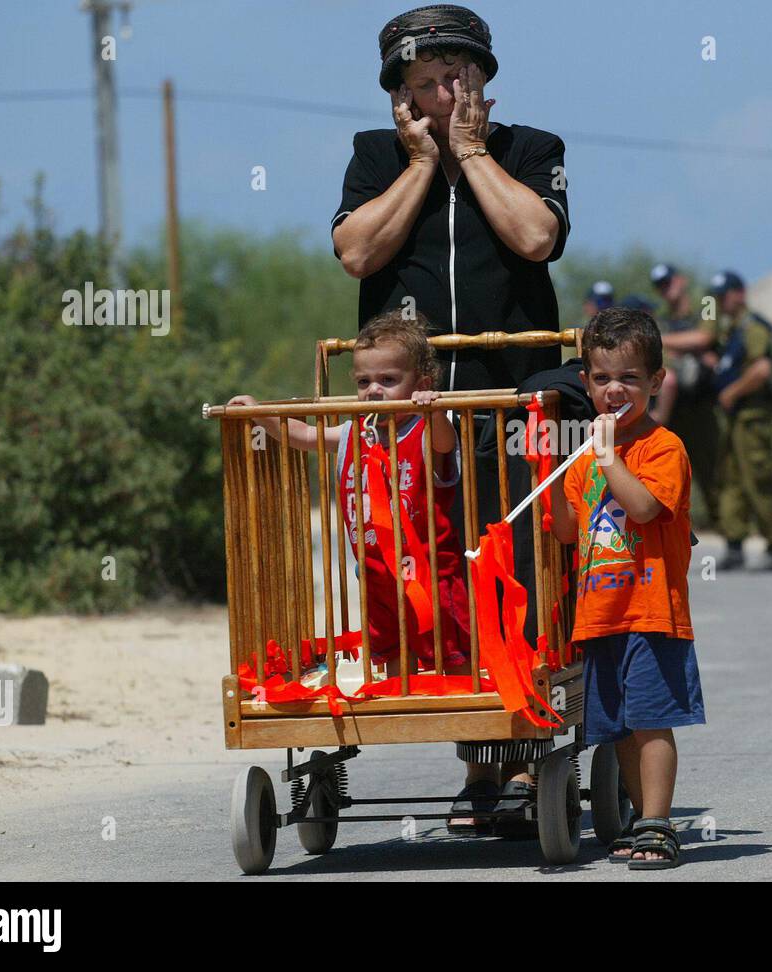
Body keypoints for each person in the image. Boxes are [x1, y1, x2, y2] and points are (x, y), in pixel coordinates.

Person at [329, 3, 572, 833]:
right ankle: (478, 763)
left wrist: (469, 155)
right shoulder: (374, 157)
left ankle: (518, 749)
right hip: (410, 419)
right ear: (400, 95)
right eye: (424, 83)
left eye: (456, 77)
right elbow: (358, 253)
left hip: (508, 405)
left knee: (515, 578)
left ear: (482, 81)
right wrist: (423, 167)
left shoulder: (531, 150)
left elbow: (536, 238)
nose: (442, 92)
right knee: (437, 580)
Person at [546, 306, 705, 868]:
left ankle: (660, 823)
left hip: (651, 610)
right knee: (615, 728)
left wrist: (608, 456)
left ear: (656, 382)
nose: (616, 390)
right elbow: (569, 530)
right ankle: (642, 818)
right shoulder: (583, 459)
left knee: (649, 721)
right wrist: (553, 482)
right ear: (587, 381)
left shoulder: (663, 449)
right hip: (600, 613)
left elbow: (640, 508)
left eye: (630, 378)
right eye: (603, 378)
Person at [228, 312, 471, 672]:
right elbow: (307, 436)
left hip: (430, 574)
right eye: (363, 381)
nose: (374, 390)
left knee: (447, 654)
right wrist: (261, 413)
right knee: (393, 655)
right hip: (376, 576)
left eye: (388, 380)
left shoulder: (424, 429)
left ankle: (460, 716)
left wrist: (432, 408)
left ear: (420, 382)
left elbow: (444, 440)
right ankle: (398, 713)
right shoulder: (353, 434)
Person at [707, 270, 772, 571]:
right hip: (736, 417)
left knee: (758, 478)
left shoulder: (754, 328)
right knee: (731, 480)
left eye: (725, 295)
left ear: (740, 293)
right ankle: (734, 543)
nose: (722, 302)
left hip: (753, 417)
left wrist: (732, 392)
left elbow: (762, 370)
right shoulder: (732, 329)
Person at [652, 263, 722, 525]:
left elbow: (704, 337)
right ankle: (676, 524)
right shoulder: (663, 319)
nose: (666, 289)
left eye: (668, 282)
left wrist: (665, 340)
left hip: (704, 405)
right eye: (660, 286)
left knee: (713, 471)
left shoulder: (705, 305)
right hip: (676, 408)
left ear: (681, 280)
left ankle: (728, 532)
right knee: (674, 467)